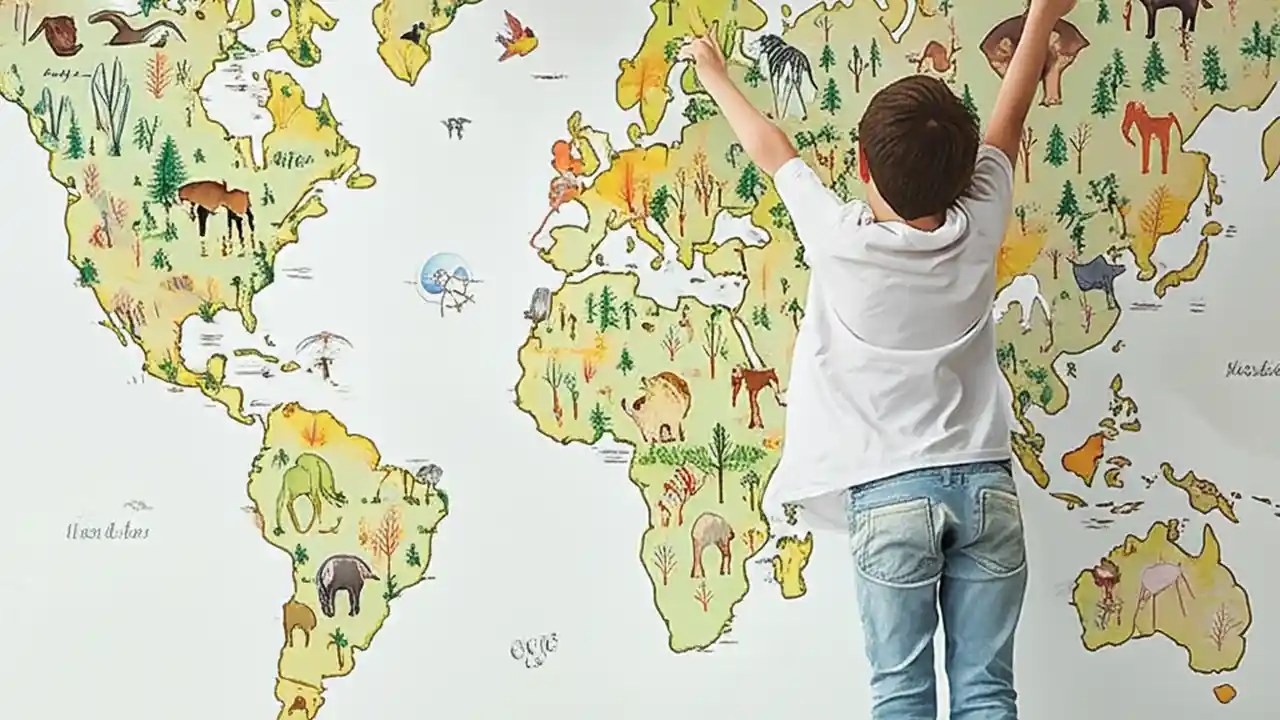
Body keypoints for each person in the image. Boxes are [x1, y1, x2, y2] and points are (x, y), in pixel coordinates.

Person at [680, 0, 1076, 717]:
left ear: (859, 163)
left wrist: (714, 74)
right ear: (965, 173)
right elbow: (1009, 121)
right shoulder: (980, 218)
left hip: (890, 497)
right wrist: (1042, 15)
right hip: (987, 488)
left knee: (901, 694)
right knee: (988, 692)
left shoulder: (837, 237)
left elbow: (771, 148)